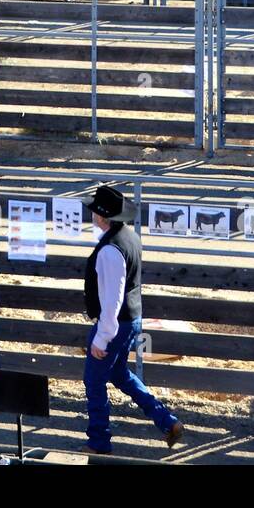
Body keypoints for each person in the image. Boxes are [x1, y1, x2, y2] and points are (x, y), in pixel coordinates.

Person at [82, 185, 183, 455]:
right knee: (121, 375)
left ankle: (99, 442)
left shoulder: (109, 250)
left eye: (94, 211)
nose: (91, 214)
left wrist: (102, 337)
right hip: (131, 319)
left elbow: (112, 299)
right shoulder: (130, 237)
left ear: (102, 217)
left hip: (115, 324)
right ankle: (167, 421)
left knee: (93, 381)